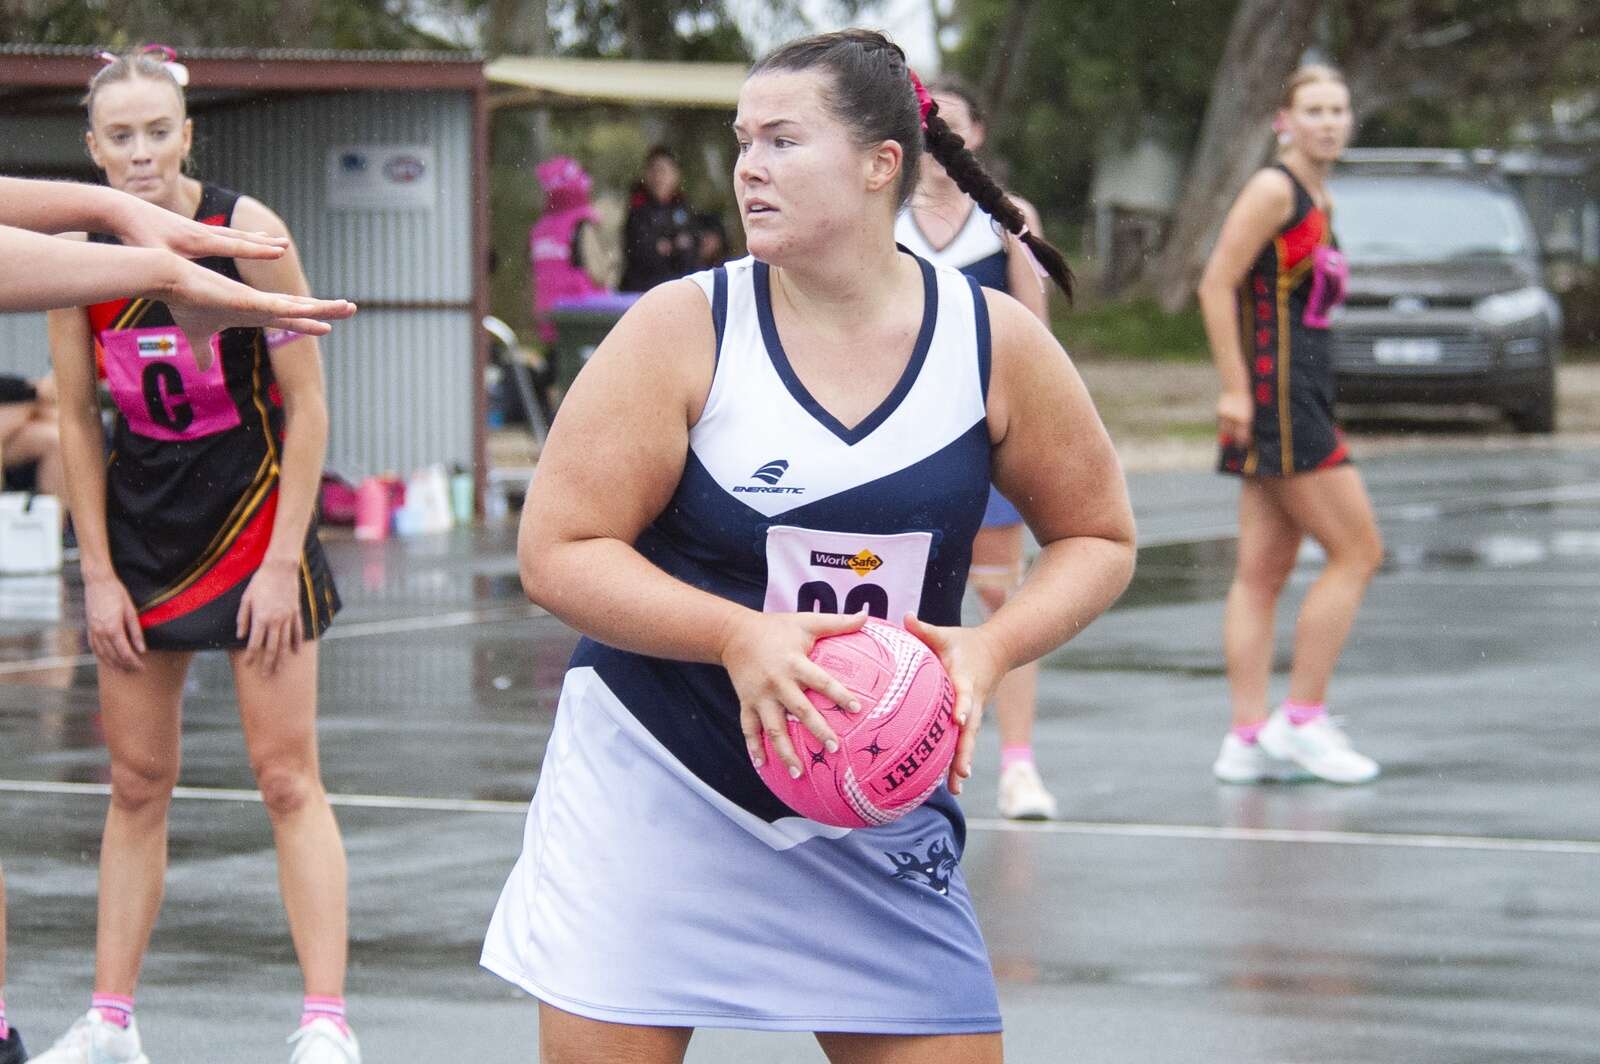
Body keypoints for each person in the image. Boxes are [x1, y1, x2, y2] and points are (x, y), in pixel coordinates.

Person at [482, 29, 1134, 1063]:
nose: (747, 165)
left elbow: (1098, 534)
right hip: (660, 775)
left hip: (870, 789)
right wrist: (740, 636)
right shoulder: (683, 327)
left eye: (783, 140)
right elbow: (559, 547)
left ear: (882, 164)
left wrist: (988, 649)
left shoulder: (991, 341)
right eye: (742, 140)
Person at [33, 48, 358, 1064]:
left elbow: (307, 410)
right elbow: (76, 422)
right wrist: (92, 568)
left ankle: (324, 1021)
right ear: (91, 147)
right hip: (141, 531)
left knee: (285, 775)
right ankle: (110, 1021)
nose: (138, 152)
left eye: (156, 131)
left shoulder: (248, 231)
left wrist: (278, 559)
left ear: (187, 133)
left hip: (253, 514)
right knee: (136, 780)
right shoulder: (75, 252)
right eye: (117, 135)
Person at [1200, 63, 1382, 786]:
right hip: (1277, 399)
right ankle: (1301, 720)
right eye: (1314, 110)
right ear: (1285, 120)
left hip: (1302, 389)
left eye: (1339, 109)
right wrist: (1236, 390)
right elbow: (1215, 283)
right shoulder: (1274, 188)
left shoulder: (1320, 195)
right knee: (1358, 550)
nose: (1329, 122)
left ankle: (1247, 738)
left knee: (1262, 572)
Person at [895, 77, 1059, 821]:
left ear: (977, 133)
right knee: (901, 608)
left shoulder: (1007, 220)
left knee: (1000, 605)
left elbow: (1035, 334)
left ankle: (1018, 766)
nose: (936, 136)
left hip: (978, 438)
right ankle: (897, 753)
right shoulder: (883, 217)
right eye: (924, 123)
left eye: (948, 122)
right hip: (897, 439)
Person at [529, 155, 612, 345]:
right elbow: (599, 273)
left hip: (550, 321)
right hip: (585, 322)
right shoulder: (582, 223)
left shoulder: (540, 229)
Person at [618, 145, 699, 292]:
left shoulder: (683, 207)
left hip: (678, 288)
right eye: (654, 171)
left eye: (664, 171)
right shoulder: (637, 207)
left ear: (676, 175)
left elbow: (692, 246)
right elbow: (639, 251)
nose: (659, 177)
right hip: (641, 289)